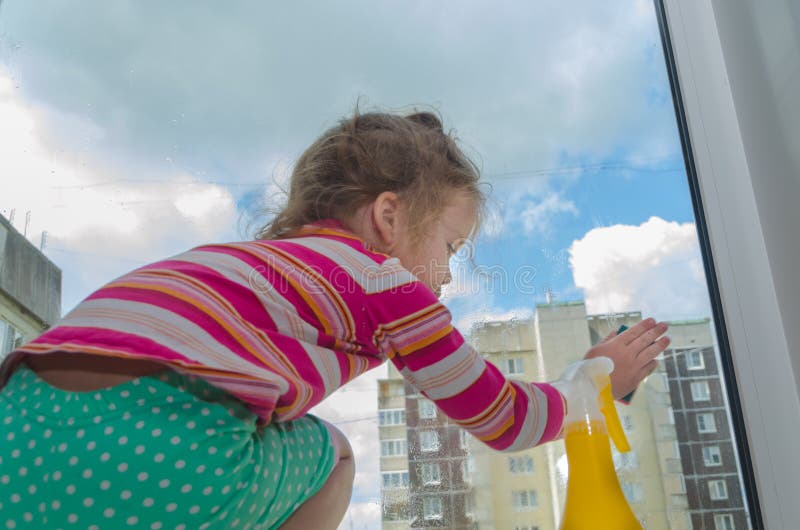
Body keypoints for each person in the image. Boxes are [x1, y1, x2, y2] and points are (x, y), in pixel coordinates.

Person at [0, 109, 670, 530]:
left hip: (16, 436)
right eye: (450, 246)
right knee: (332, 454)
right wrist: (592, 379)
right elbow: (504, 419)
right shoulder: (383, 280)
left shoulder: (246, 264)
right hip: (160, 461)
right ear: (388, 216)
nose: (443, 276)